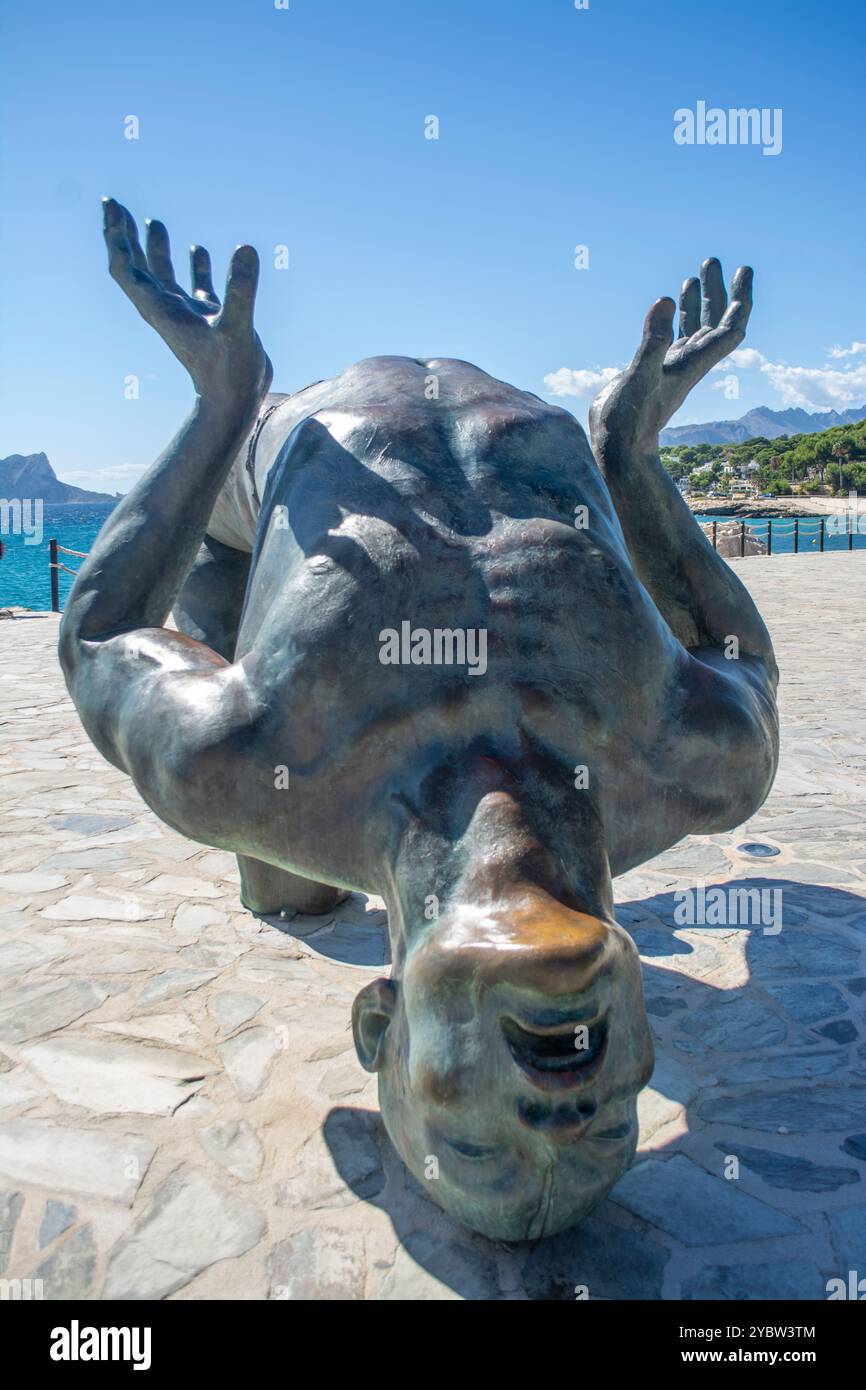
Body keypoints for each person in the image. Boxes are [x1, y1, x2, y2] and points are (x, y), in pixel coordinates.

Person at [59, 200, 778, 1239]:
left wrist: (222, 406)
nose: (554, 1111)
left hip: (291, 444)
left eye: (478, 1143)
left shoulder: (246, 760)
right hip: (529, 441)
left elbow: (97, 631)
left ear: (380, 1023)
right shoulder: (693, 761)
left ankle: (295, 880)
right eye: (606, 1124)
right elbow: (740, 659)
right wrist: (629, 454)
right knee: (280, 850)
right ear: (633, 1051)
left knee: (286, 889)